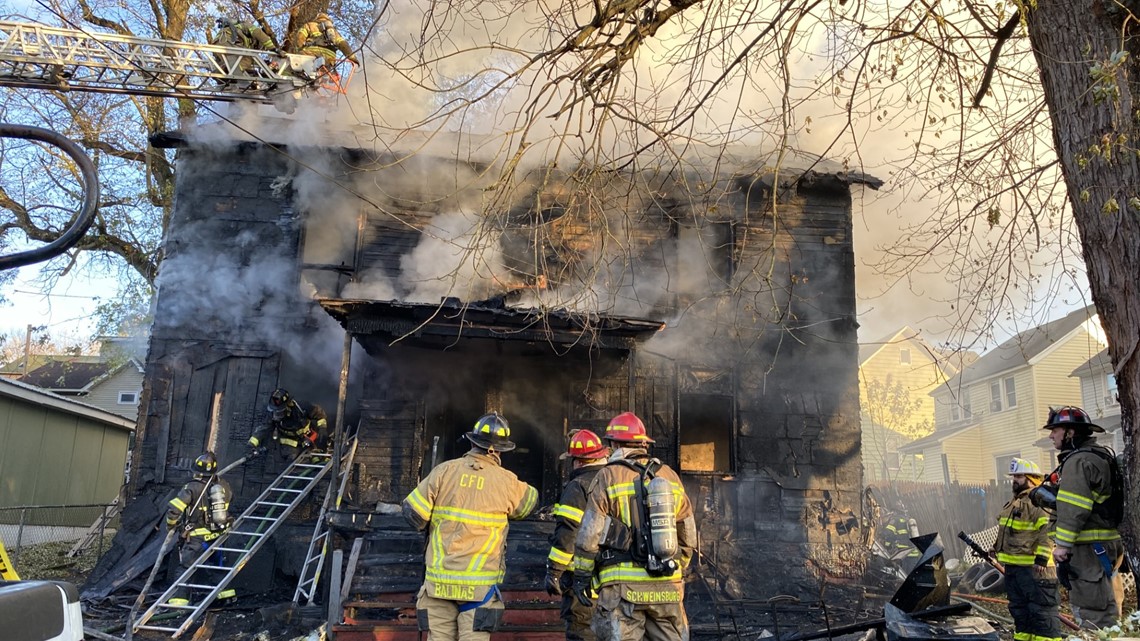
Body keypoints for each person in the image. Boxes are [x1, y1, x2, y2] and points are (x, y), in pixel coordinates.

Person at [402, 413, 539, 641]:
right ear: (498, 450)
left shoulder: (443, 471)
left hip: (439, 584)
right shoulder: (507, 481)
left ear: (473, 442)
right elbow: (530, 504)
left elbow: (412, 513)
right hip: (479, 589)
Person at [572, 412, 696, 641]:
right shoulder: (669, 476)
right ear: (643, 444)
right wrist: (677, 566)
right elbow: (688, 532)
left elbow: (590, 534)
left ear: (614, 444)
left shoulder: (608, 476)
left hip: (622, 590)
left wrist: (581, 575)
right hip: (667, 587)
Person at [1043, 406, 1124, 629]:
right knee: (1107, 604)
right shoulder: (1098, 455)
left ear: (1070, 432)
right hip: (1103, 545)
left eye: (1055, 430)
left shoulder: (1078, 461)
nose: (1051, 436)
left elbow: (1074, 507)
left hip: (1089, 549)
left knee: (1093, 612)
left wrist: (1062, 545)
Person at [546, 429, 610, 641]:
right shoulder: (614, 480)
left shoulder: (578, 486)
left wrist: (554, 571)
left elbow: (569, 532)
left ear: (579, 462)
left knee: (582, 630)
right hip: (615, 580)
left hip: (583, 581)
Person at [991, 458, 1061, 641]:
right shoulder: (1015, 502)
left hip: (1035, 569)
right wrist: (996, 547)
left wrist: (1042, 558)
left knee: (1042, 612)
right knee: (1019, 611)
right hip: (1014, 568)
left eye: (1019, 476)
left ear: (1031, 478)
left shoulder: (1039, 500)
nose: (1014, 480)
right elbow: (1007, 529)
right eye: (1014, 476)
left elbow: (1047, 530)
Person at [165, 452, 235, 605]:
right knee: (217, 566)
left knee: (186, 567)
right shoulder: (224, 485)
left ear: (196, 471)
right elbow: (228, 503)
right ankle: (226, 597)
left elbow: (174, 509)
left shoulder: (191, 487)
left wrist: (171, 525)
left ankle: (178, 602)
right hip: (219, 535)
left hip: (197, 537)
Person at [248, 388, 328, 461]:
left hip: (309, 436)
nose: (276, 415)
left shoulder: (301, 407)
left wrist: (322, 428)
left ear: (288, 405)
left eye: (279, 411)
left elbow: (319, 415)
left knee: (319, 454)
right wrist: (251, 444)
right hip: (289, 443)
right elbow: (263, 428)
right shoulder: (272, 414)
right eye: (275, 411)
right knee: (293, 460)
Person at [291, 13, 359, 89]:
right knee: (319, 76)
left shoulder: (310, 25)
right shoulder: (334, 32)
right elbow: (344, 45)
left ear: (317, 19)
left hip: (311, 55)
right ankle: (317, 81)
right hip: (329, 61)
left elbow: (299, 38)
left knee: (295, 61)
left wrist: (299, 50)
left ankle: (301, 75)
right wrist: (352, 57)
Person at [208, 17, 278, 86]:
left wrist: (265, 64)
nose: (261, 48)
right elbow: (259, 34)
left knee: (242, 61)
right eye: (263, 46)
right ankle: (225, 72)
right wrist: (273, 49)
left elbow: (250, 61)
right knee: (247, 60)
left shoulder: (248, 43)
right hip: (226, 41)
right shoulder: (252, 28)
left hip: (217, 44)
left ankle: (220, 74)